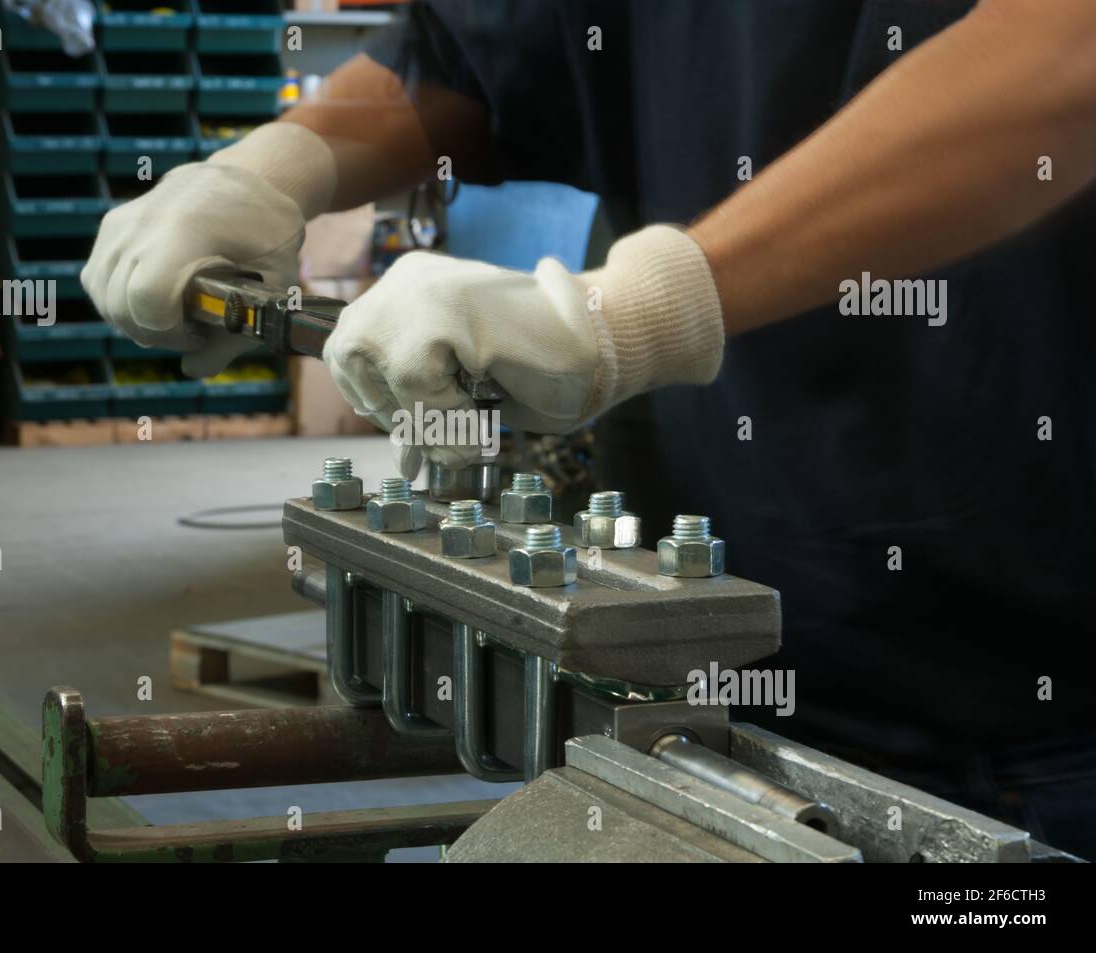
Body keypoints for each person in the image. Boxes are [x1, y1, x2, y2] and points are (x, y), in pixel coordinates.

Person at [82, 0, 1096, 858]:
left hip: (1037, 691)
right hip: (708, 647)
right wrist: (274, 166)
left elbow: (1065, 51)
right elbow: (484, 56)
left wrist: (641, 304)